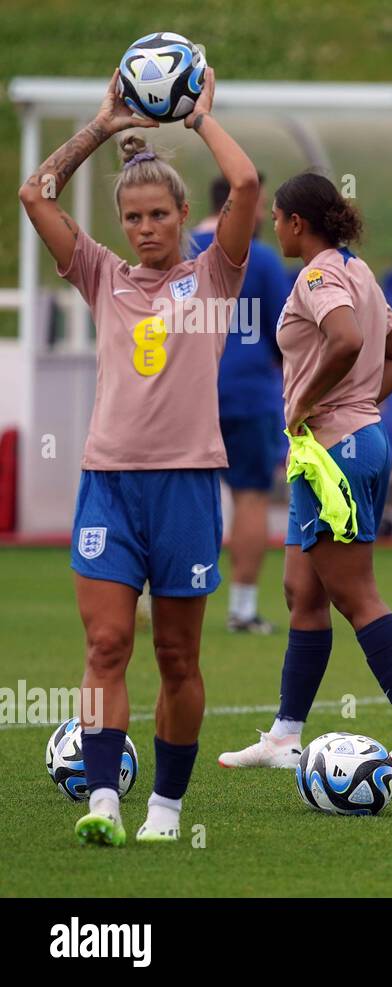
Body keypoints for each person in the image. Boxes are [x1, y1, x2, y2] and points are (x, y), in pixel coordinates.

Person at [19, 69, 258, 845]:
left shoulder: (214, 276)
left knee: (178, 656)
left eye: (159, 214)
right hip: (109, 486)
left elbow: (248, 180)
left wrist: (198, 120)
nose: (147, 227)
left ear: (186, 215)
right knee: (106, 645)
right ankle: (103, 803)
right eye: (134, 217)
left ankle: (166, 810)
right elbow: (35, 195)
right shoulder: (102, 275)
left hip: (187, 487)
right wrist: (100, 124)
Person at [217, 173, 392, 772]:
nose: (272, 224)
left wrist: (309, 402)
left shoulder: (318, 275)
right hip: (339, 448)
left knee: (356, 596)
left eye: (276, 216)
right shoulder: (359, 271)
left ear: (298, 223)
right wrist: (360, 405)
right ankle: (284, 736)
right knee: (301, 592)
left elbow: (343, 340)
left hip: (335, 451)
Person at [191, 172, 291, 634]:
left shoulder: (182, 247)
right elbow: (283, 334)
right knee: (250, 496)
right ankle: (243, 609)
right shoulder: (265, 261)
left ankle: (166, 599)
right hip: (250, 395)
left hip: (186, 395)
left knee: (182, 499)